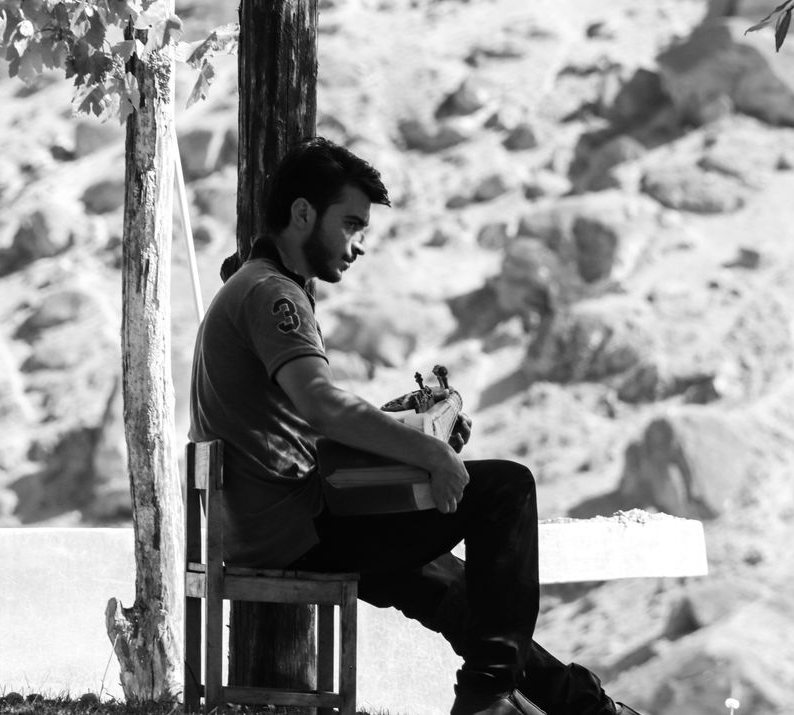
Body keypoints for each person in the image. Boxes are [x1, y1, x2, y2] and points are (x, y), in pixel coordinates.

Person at [189, 137, 640, 715]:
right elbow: (322, 406)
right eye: (351, 225)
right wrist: (432, 457)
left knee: (454, 588)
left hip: (281, 524)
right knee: (506, 489)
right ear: (303, 214)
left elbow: (304, 430)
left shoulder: (252, 284)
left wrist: (407, 427)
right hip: (297, 534)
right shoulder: (275, 295)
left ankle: (586, 708)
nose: (358, 246)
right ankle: (484, 699)